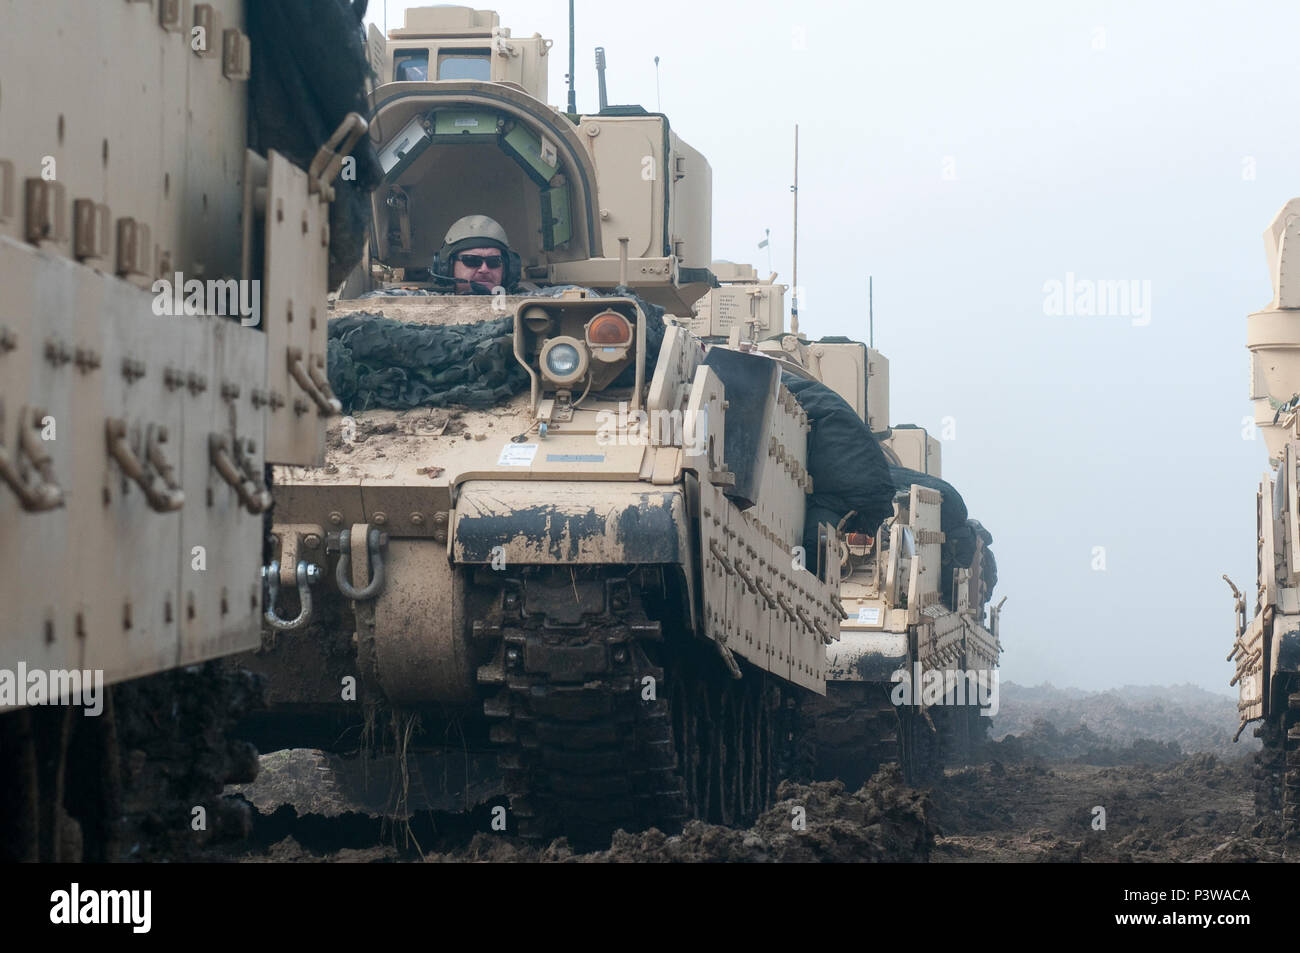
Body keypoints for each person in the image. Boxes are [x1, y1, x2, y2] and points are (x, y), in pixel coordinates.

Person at [436, 214, 518, 294]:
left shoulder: (526, 303)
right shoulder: (425, 303)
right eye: (471, 260)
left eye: (494, 261)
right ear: (447, 267)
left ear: (508, 269)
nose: (484, 269)